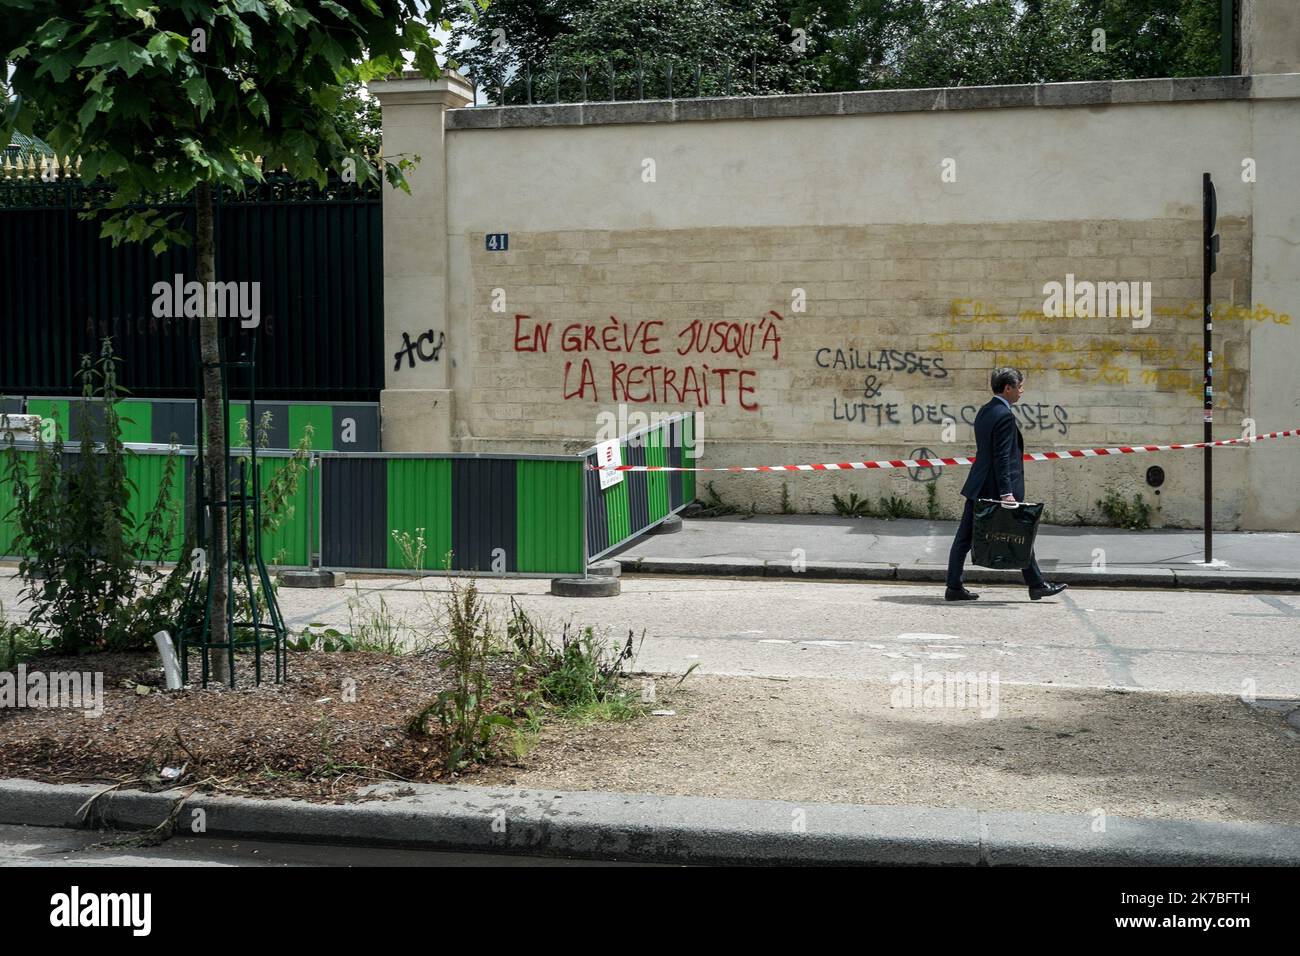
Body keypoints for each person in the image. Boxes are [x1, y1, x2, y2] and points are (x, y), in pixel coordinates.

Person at [945, 367, 1067, 602]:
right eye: (1019, 386)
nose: (1022, 391)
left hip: (979, 485)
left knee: (970, 538)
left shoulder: (985, 410)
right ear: (1008, 388)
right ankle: (1036, 584)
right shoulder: (1004, 415)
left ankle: (955, 586)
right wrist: (1007, 493)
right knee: (1019, 532)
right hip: (995, 489)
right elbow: (1001, 457)